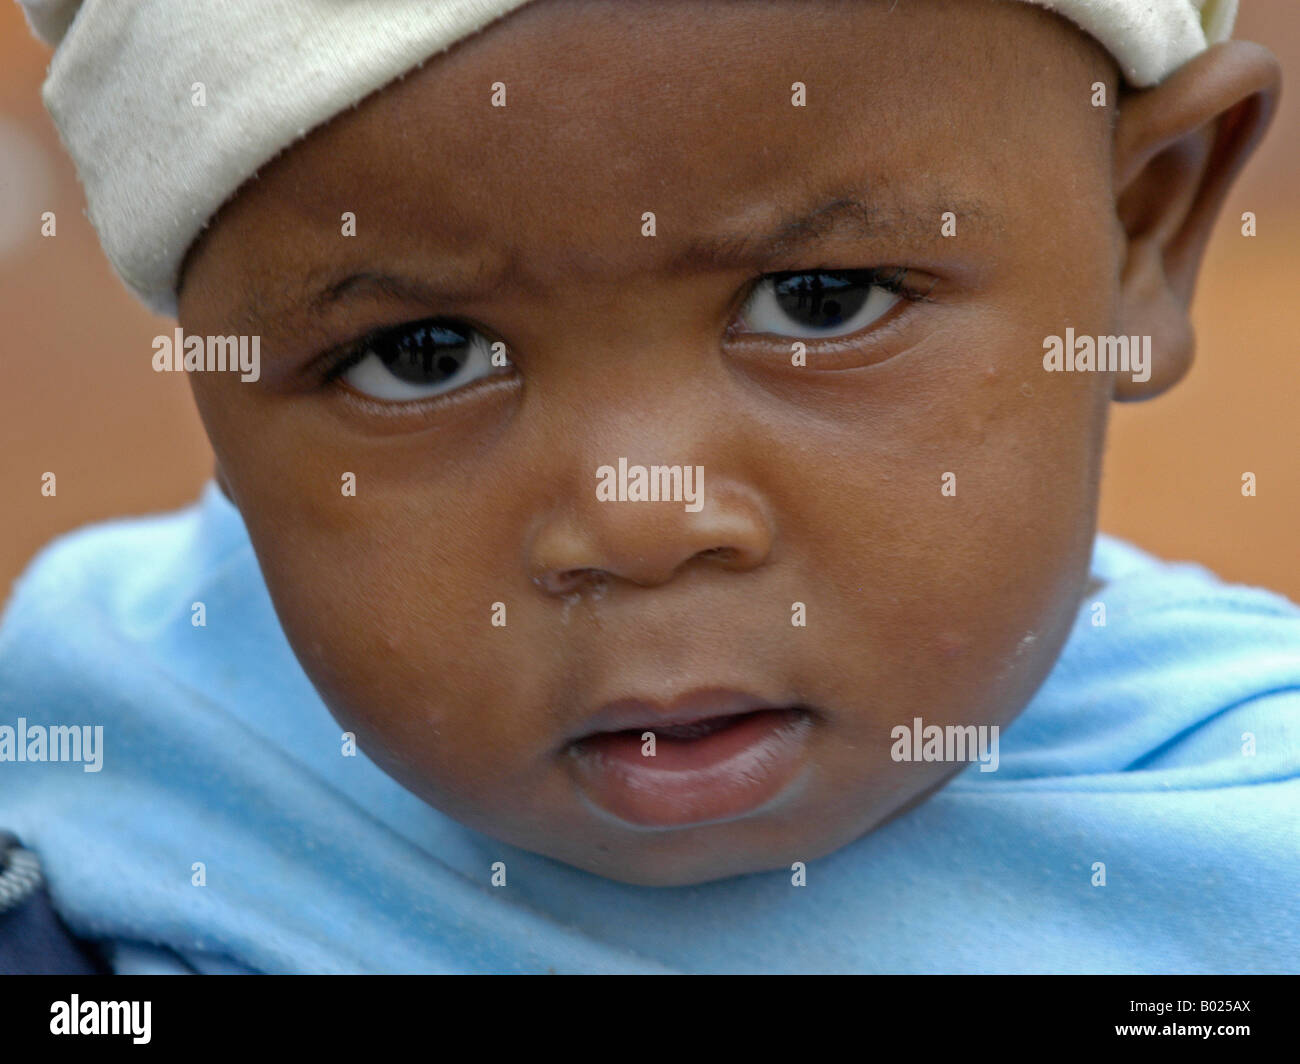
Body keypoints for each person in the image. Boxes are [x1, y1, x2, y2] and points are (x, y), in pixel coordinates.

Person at [2, 0, 1296, 973]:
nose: (638, 518)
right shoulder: (105, 739)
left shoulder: (1250, 834)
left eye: (822, 300)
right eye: (422, 355)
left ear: (1143, 227)